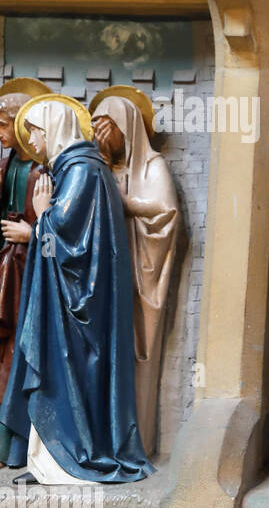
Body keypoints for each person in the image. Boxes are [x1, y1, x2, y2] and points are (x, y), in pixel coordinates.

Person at [0, 95, 151, 484]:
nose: (32, 141)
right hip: (66, 297)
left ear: (54, 129)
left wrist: (42, 218)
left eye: (35, 131)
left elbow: (67, 248)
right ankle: (47, 460)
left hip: (76, 304)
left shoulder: (82, 171)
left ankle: (68, 459)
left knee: (64, 374)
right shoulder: (73, 168)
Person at [90, 87, 180, 458]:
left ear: (125, 127)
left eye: (103, 126)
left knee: (136, 356)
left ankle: (133, 444)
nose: (96, 134)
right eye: (92, 125)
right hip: (103, 278)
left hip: (139, 275)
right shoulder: (97, 167)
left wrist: (120, 199)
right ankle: (98, 442)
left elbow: (164, 213)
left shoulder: (152, 166)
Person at [0, 79, 45, 467]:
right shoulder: (7, 163)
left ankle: (14, 446)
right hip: (4, 260)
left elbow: (54, 221)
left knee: (19, 349)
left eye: (3, 125)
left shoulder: (42, 168)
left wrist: (30, 235)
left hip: (28, 267)